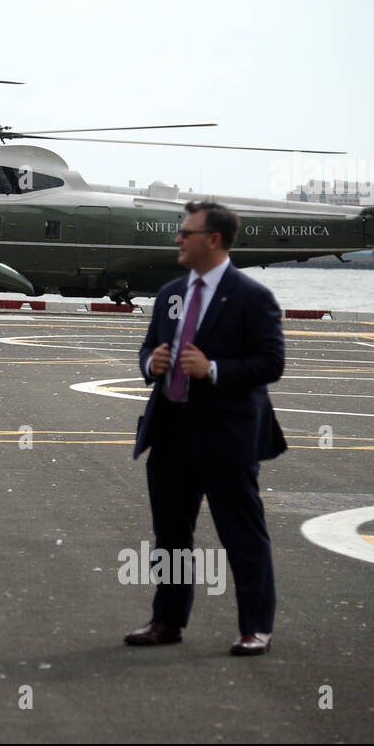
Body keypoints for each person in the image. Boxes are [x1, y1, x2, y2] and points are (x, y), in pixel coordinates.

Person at [127, 201, 286, 655]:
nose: (178, 239)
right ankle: (167, 620)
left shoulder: (253, 297)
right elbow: (146, 347)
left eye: (186, 232)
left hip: (227, 437)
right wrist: (150, 363)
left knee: (241, 534)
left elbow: (271, 363)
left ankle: (256, 627)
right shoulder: (170, 292)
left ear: (213, 240)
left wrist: (213, 369)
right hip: (171, 431)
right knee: (171, 536)